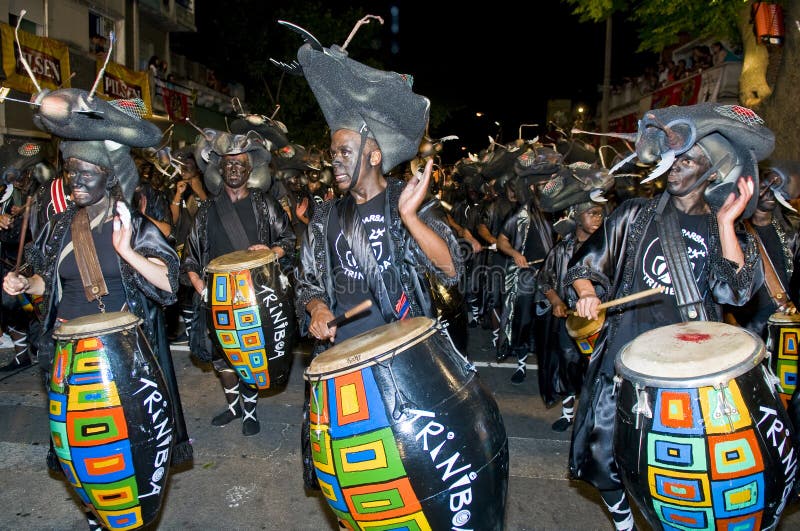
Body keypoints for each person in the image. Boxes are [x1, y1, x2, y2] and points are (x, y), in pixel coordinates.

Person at [273, 20, 463, 490]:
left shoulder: (410, 202)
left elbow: (452, 268)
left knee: (413, 474)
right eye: (332, 153)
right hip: (343, 358)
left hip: (405, 357)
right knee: (350, 475)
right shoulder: (323, 218)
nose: (333, 162)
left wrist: (412, 218)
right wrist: (316, 308)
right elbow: (310, 283)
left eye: (344, 153)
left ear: (374, 156)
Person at [565, 102, 772, 530]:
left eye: (686, 159)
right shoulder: (632, 216)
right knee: (603, 458)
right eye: (672, 159)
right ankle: (623, 522)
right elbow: (586, 265)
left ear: (711, 171)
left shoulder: (721, 227)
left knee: (684, 473)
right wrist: (585, 292)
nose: (673, 166)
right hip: (625, 358)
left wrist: (729, 221)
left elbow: (734, 291)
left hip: (691, 370)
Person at [3, 88, 192, 529]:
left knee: (130, 449)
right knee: (82, 450)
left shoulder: (134, 224)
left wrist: (127, 251)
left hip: (123, 357)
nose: (76, 183)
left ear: (109, 176)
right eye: (71, 174)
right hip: (68, 353)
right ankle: (95, 516)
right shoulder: (56, 226)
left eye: (86, 174)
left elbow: (169, 285)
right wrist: (22, 282)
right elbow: (45, 281)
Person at [182, 130, 295, 436]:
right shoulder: (205, 212)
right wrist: (203, 290)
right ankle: (233, 408)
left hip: (254, 296)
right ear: (220, 170)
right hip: (216, 299)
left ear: (250, 170)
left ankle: (250, 411)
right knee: (222, 361)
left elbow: (289, 239)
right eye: (229, 164)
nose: (234, 169)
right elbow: (190, 259)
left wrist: (273, 250)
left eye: (240, 164)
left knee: (249, 355)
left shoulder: (265, 204)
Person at [726, 160, 799, 337]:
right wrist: (729, 320)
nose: (769, 191)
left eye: (774, 185)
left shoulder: (793, 229)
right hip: (749, 330)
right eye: (763, 186)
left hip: (789, 326)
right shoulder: (732, 233)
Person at [496, 174, 554, 385]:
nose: (546, 186)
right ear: (532, 187)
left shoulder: (557, 209)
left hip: (550, 273)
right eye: (541, 184)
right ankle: (521, 364)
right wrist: (515, 254)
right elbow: (502, 241)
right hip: (527, 273)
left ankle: (547, 365)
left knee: (548, 321)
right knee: (523, 320)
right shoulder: (521, 213)